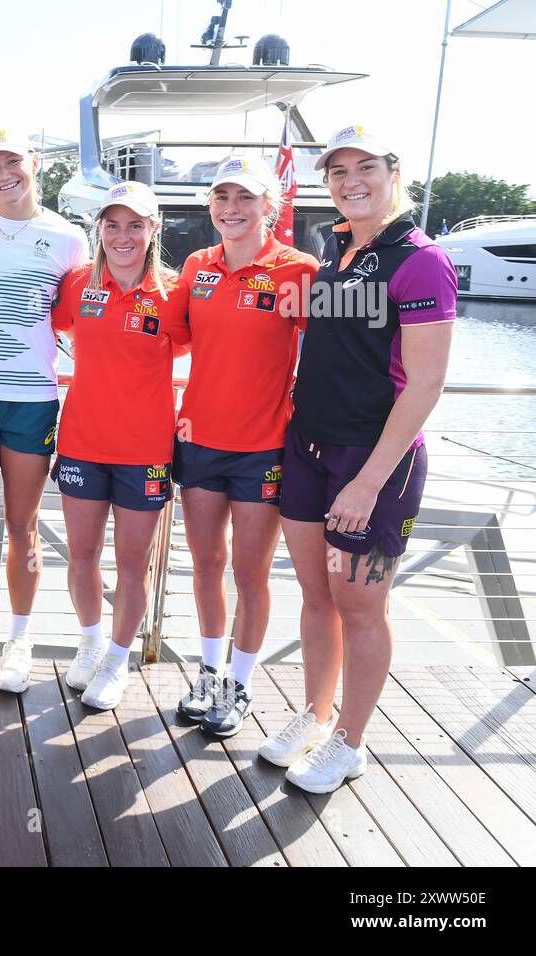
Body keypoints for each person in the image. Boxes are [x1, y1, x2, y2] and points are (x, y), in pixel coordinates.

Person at [264, 125, 455, 793]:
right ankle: (314, 718)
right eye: (338, 170)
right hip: (309, 448)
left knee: (362, 606)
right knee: (317, 597)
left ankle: (350, 743)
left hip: (372, 464)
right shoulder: (335, 251)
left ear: (392, 171)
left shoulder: (420, 258)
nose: (351, 181)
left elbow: (426, 383)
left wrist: (369, 483)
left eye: (365, 167)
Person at [173, 156, 319, 737]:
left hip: (264, 448)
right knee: (206, 565)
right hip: (200, 440)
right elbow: (171, 337)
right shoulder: (196, 264)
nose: (231, 209)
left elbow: (338, 352)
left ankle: (239, 683)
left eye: (244, 198)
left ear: (269, 206)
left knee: (250, 571)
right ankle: (209, 672)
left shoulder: (297, 269)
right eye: (221, 198)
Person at [0, 129, 89, 694]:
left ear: (36, 164)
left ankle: (20, 640)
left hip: (31, 397)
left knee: (25, 525)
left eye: (13, 162)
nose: (3, 175)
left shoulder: (68, 236)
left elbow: (78, 315)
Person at [50, 181, 190, 710]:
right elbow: (42, 329)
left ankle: (117, 659)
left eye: (136, 224)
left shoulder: (176, 293)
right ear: (99, 230)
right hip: (82, 439)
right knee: (82, 556)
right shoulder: (76, 284)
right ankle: (89, 646)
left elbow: (218, 347)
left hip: (146, 450)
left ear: (154, 229)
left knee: (134, 566)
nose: (123, 235)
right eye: (112, 225)